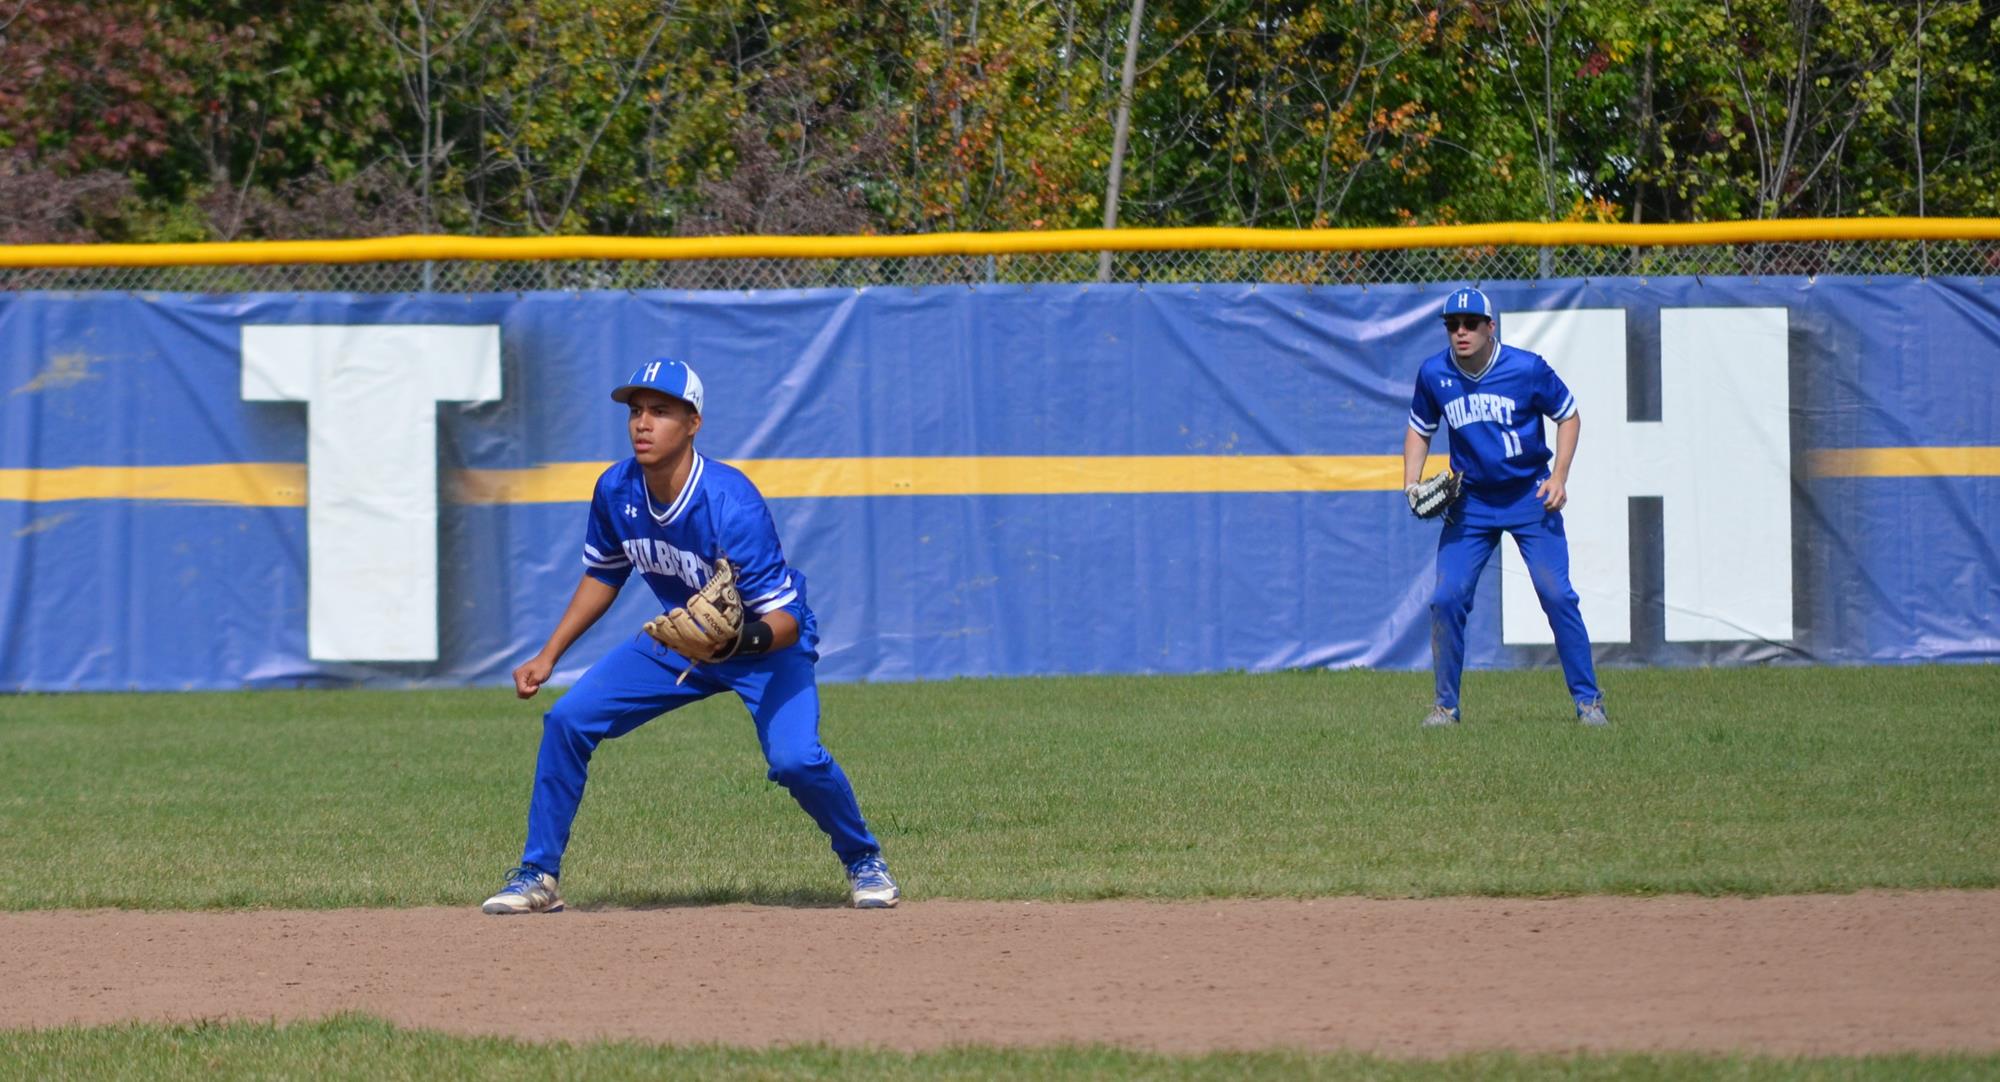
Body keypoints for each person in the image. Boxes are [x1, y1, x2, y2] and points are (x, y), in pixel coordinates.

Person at [482, 358, 900, 913]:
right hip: (684, 641)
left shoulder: (730, 502)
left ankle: (864, 859)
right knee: (567, 720)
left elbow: (787, 620)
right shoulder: (616, 488)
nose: (642, 423)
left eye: (660, 411)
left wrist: (736, 644)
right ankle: (538, 875)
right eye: (635, 411)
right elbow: (605, 574)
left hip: (764, 647)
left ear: (693, 423)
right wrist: (549, 655)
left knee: (796, 760)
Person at [1403, 287, 1608, 727]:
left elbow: (1568, 416)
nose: (1461, 332)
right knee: (1446, 598)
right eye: (1452, 325)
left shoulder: (1526, 368)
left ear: (1490, 327)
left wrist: (1560, 476)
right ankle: (1445, 708)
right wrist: (1411, 483)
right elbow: (1420, 427)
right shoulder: (1434, 372)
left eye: (1471, 324)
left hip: (1528, 495)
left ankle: (1589, 703)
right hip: (1471, 500)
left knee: (1557, 595)